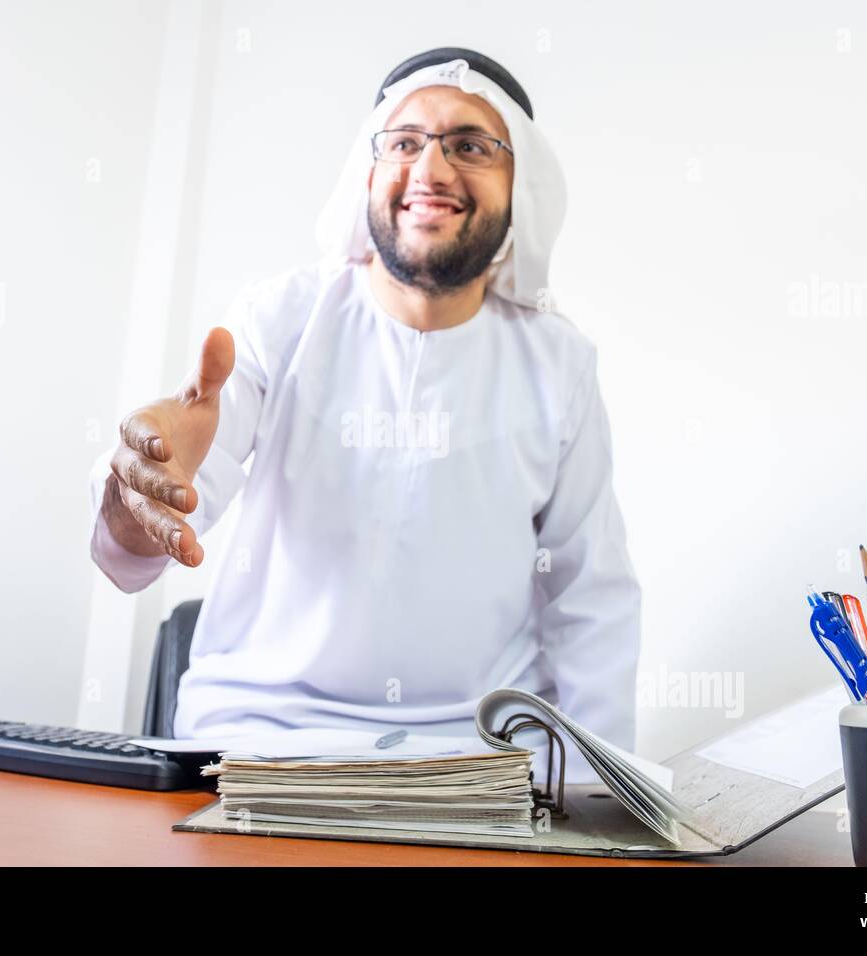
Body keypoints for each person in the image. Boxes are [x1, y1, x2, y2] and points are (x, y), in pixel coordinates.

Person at [89, 48, 642, 782]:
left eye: (471, 146)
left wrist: (600, 807)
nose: (432, 170)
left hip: (480, 769)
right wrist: (140, 490)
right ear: (370, 171)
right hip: (260, 750)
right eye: (405, 142)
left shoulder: (559, 365)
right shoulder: (278, 320)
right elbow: (156, 524)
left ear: (523, 189)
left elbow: (591, 601)